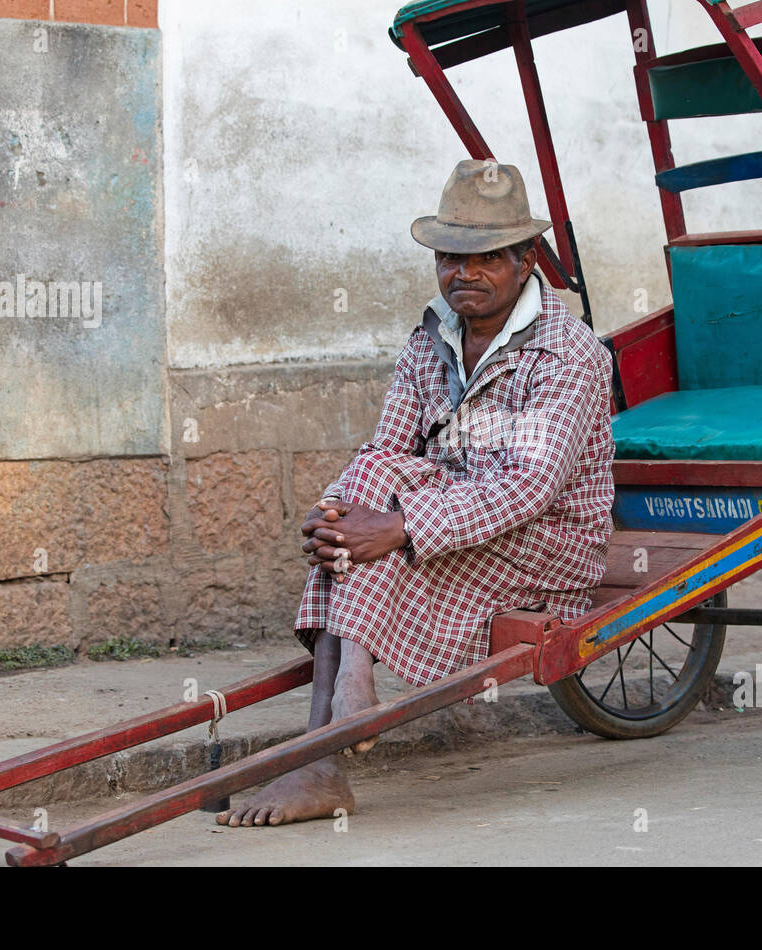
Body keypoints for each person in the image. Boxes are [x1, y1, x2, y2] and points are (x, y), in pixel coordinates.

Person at [217, 159, 615, 827]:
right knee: (368, 484)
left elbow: (530, 486)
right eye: (451, 257)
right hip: (453, 520)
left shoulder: (568, 354)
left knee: (384, 527)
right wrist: (334, 513)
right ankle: (345, 700)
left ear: (524, 261)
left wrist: (398, 528)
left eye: (486, 257)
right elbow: (387, 451)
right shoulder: (431, 338)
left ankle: (326, 743)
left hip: (548, 545)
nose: (466, 273)